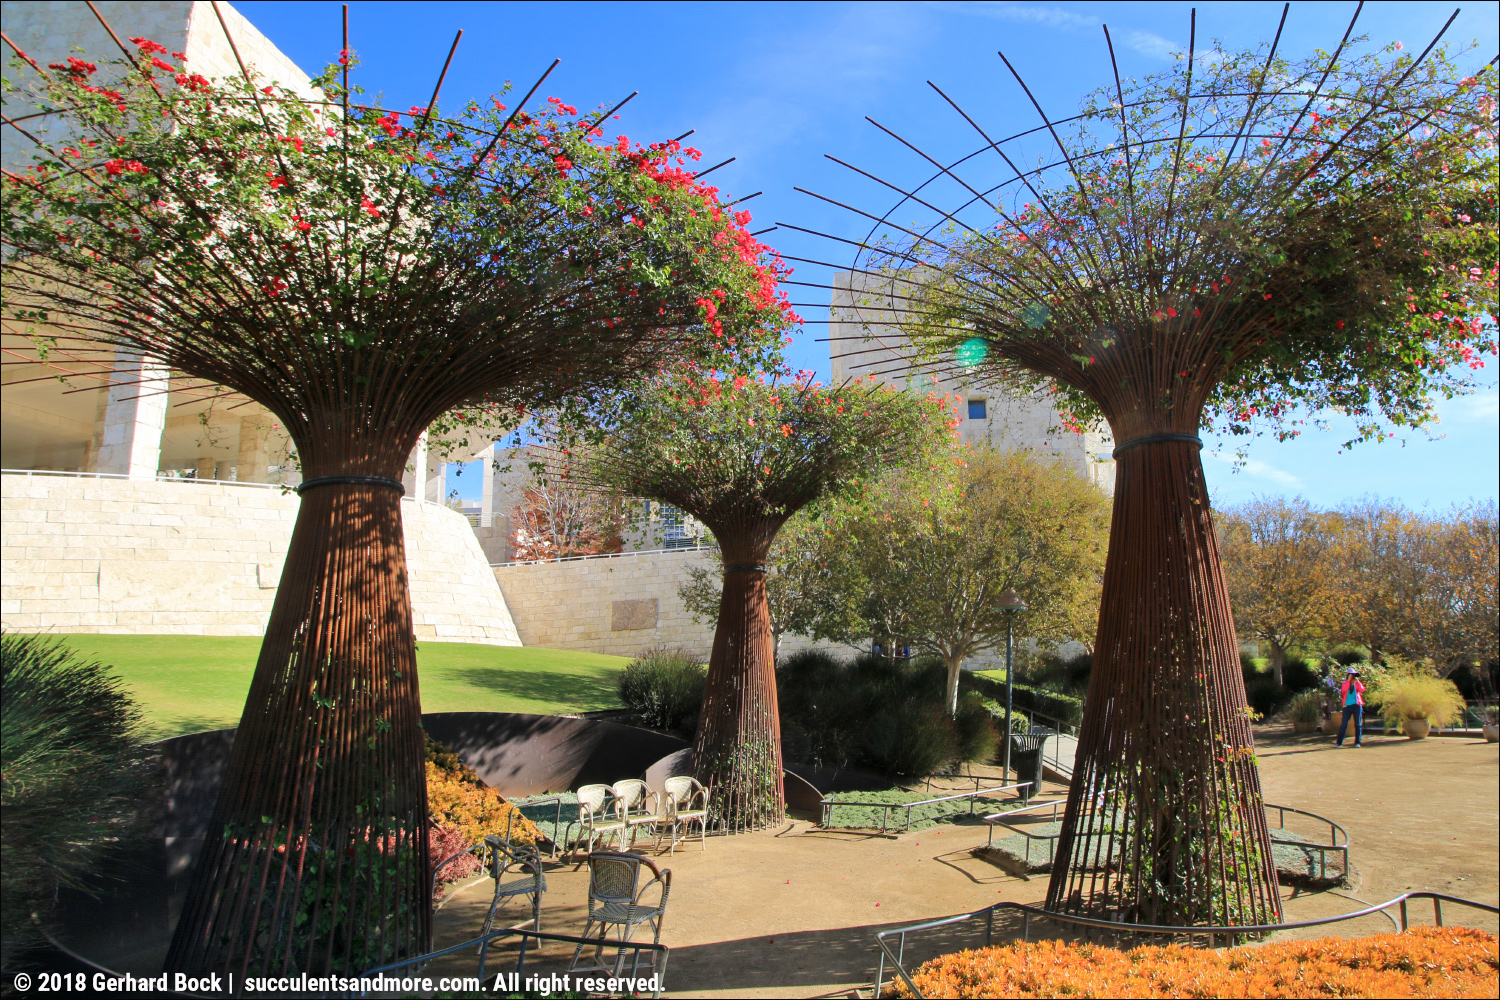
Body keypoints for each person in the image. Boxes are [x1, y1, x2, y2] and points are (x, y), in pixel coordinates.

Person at [1336, 667, 1365, 748]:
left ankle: (1357, 742)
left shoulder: (1356, 683)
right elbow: (1343, 691)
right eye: (1351, 675)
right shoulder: (1345, 683)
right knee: (1344, 724)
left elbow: (1362, 690)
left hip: (1357, 705)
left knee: (1358, 724)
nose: (1352, 677)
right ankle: (1339, 743)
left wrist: (1358, 681)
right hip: (1347, 706)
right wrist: (1348, 681)